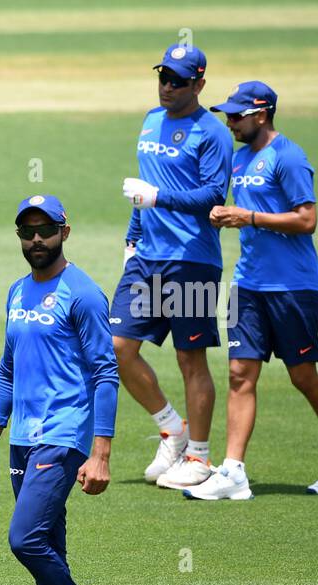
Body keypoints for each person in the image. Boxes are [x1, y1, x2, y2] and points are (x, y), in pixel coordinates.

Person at [0, 196, 118, 585]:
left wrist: (101, 453)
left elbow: (105, 374)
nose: (36, 239)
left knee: (25, 539)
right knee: (49, 547)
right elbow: (7, 370)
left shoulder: (84, 294)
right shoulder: (16, 291)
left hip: (65, 434)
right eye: (27, 231)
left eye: (45, 230)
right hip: (22, 440)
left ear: (64, 232)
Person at [185, 82, 318, 499]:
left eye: (236, 115)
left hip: (293, 286)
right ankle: (233, 472)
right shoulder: (239, 156)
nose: (229, 122)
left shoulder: (289, 157)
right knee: (238, 374)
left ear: (261, 114)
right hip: (247, 284)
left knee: (304, 376)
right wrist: (222, 215)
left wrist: (248, 216)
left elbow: (306, 220)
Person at [112, 43, 233, 490]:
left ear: (199, 84)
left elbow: (213, 197)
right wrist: (132, 234)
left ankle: (199, 458)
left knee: (190, 357)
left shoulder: (212, 133)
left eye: (178, 80)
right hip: (146, 257)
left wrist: (157, 199)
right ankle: (172, 429)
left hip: (191, 259)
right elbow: (143, 187)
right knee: (118, 346)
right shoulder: (150, 119)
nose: (167, 86)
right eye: (163, 76)